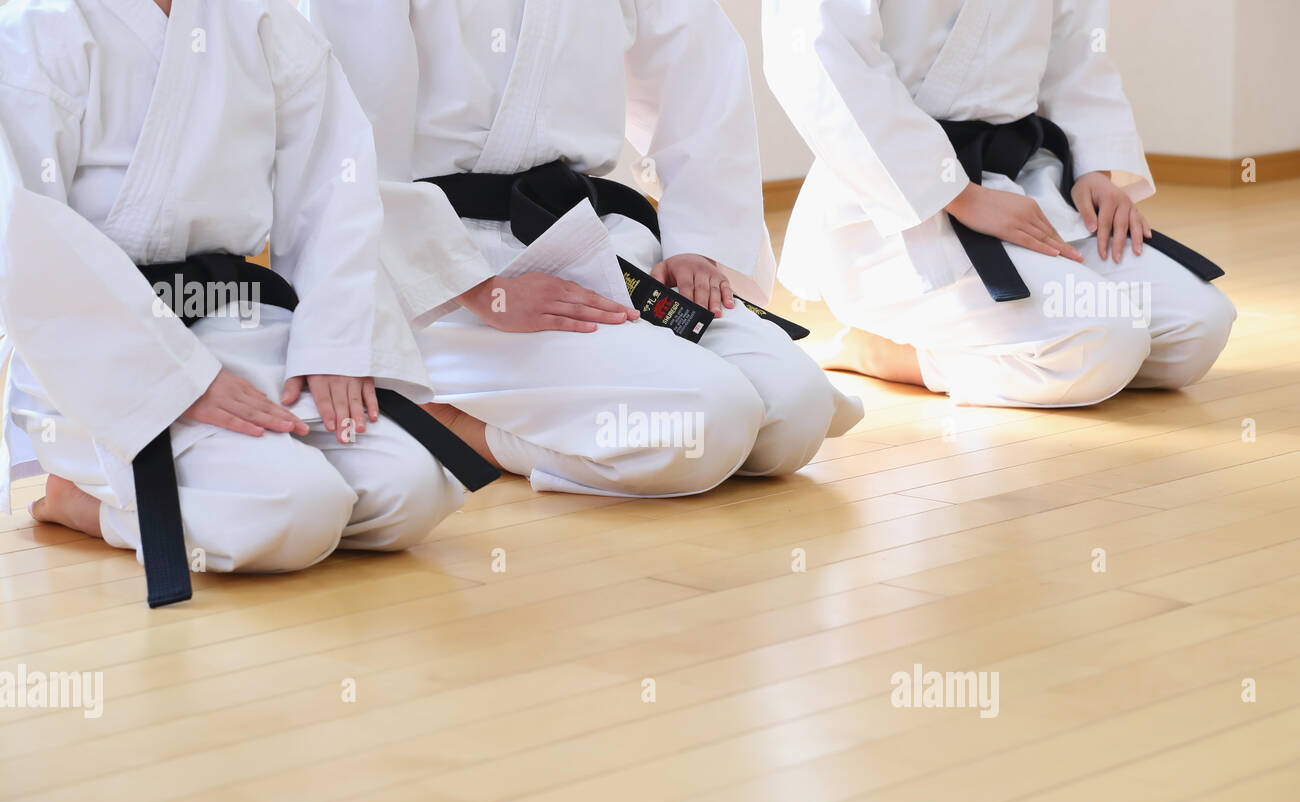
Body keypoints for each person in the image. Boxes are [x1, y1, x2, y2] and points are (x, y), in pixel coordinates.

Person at [303, 0, 864, 499]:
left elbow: (696, 70)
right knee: (706, 424)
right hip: (436, 271)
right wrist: (483, 291)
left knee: (795, 412)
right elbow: (350, 140)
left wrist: (698, 242)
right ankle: (449, 421)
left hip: (584, 233)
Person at [0, 0, 469, 594]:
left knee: (413, 491)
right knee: (294, 511)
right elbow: (26, 234)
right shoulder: (40, 27)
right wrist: (175, 377)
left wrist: (333, 342)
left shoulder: (261, 21)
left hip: (243, 326)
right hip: (106, 353)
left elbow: (333, 191)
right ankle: (86, 507)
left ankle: (231, 498)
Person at [763, 0, 1237, 408]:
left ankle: (1020, 348)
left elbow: (1075, 49)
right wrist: (957, 193)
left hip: (1027, 183)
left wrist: (1095, 165)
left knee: (1196, 330)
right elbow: (815, 58)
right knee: (1103, 345)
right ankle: (886, 354)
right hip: (900, 202)